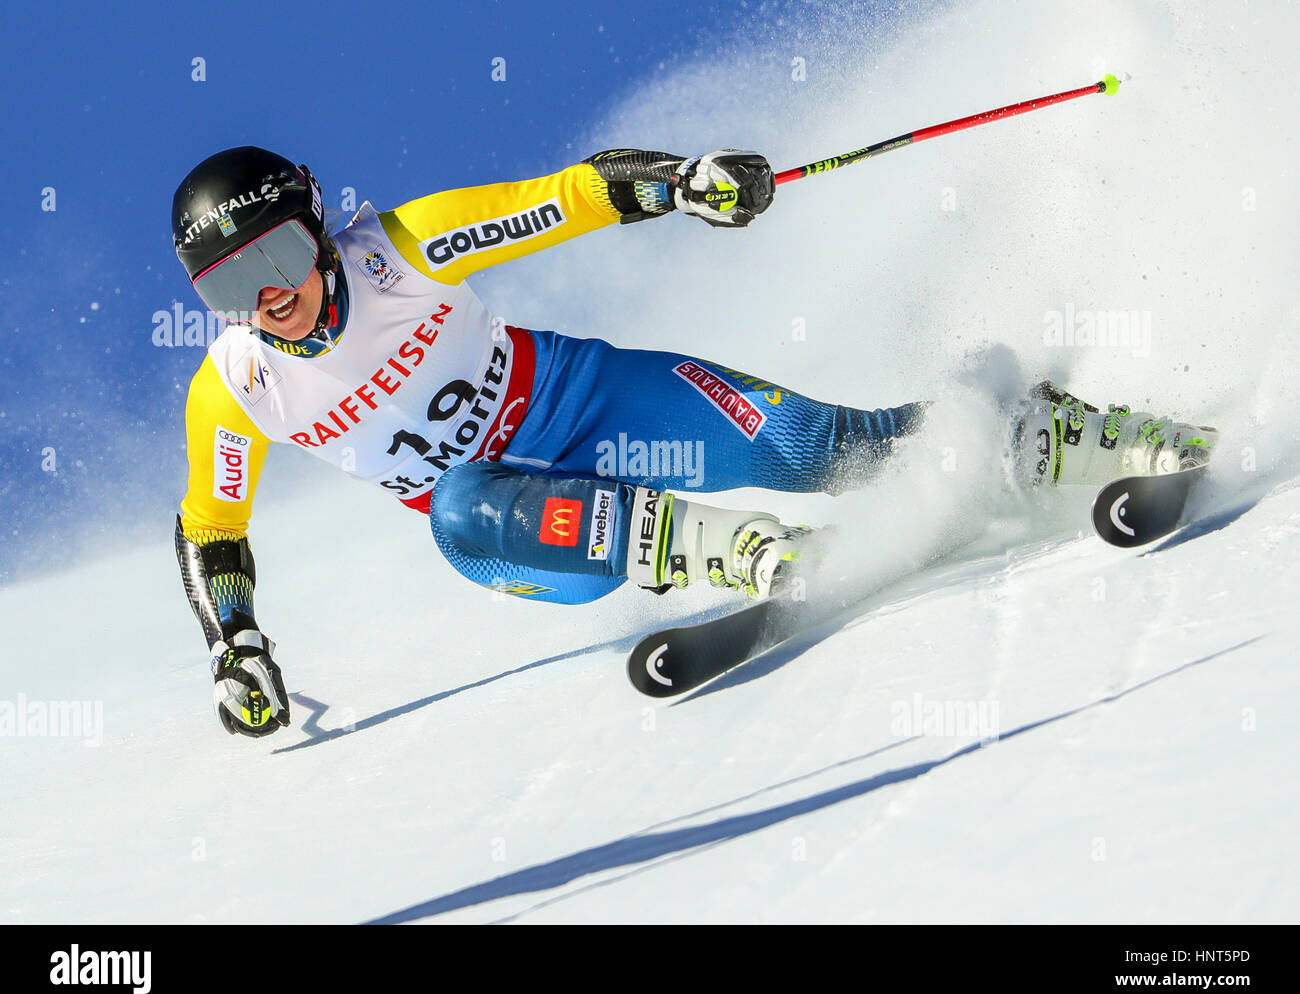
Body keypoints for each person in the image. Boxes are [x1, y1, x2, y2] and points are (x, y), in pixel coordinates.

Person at [171, 145, 1216, 737]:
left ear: (319, 224)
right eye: (226, 286)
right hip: (521, 528)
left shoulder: (402, 247)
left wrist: (681, 183)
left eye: (280, 256)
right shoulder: (240, 390)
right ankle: (746, 552)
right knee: (457, 508)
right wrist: (236, 646)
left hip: (592, 403)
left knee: (823, 445)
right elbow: (212, 526)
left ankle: (1047, 438)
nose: (266, 298)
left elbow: (559, 203)